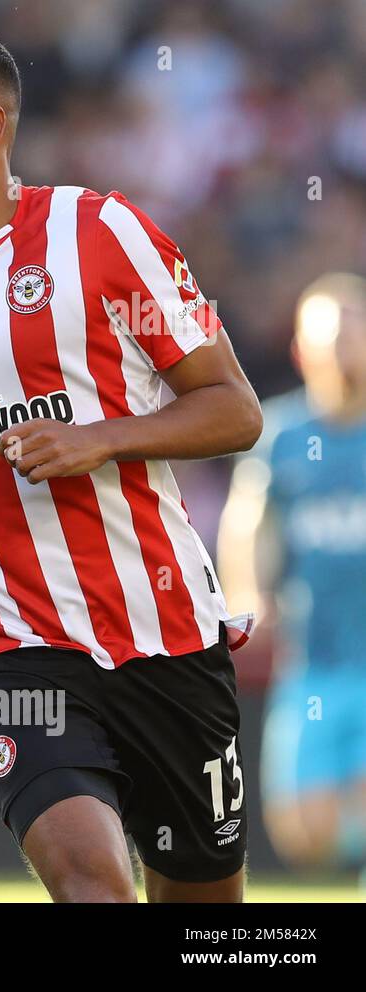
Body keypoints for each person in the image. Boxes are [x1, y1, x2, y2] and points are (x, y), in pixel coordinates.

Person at [0, 26, 262, 902]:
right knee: (91, 885)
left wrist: (102, 436)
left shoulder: (101, 236)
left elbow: (233, 409)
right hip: (8, 647)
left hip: (167, 633)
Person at [219, 273, 366, 880]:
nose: (342, 348)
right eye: (329, 336)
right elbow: (247, 524)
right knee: (303, 837)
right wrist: (251, 596)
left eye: (353, 331)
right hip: (314, 657)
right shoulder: (281, 436)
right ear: (301, 350)